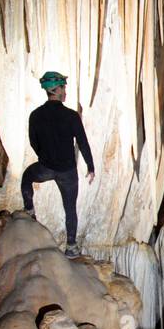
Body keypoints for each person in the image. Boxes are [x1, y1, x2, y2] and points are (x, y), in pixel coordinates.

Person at [21, 71, 94, 256]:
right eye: (63, 87)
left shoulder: (35, 115)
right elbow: (82, 142)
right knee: (70, 209)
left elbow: (33, 141)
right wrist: (90, 167)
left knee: (27, 177)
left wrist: (44, 156)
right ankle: (71, 247)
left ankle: (29, 211)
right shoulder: (71, 116)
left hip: (46, 168)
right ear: (58, 90)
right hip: (67, 172)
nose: (65, 91)